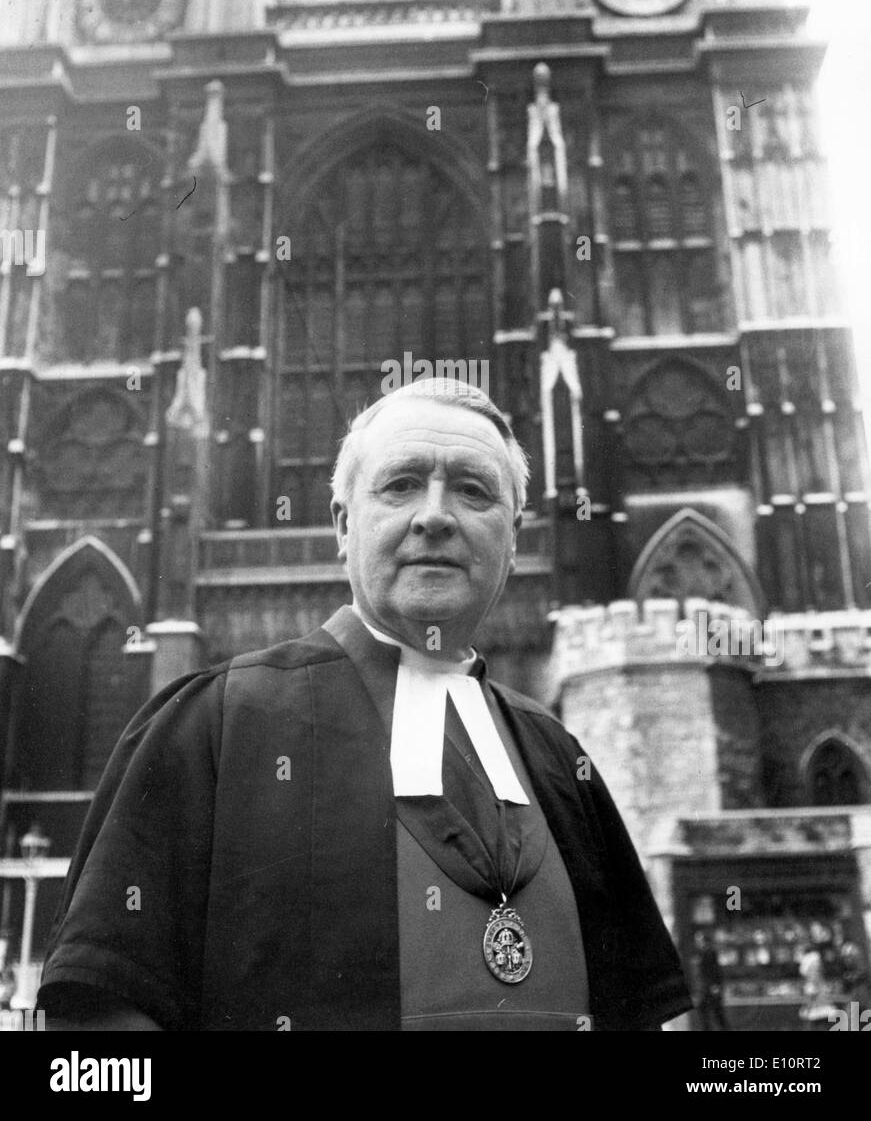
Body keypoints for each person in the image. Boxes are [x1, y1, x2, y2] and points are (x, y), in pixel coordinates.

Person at [37, 377, 691, 1031]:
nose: (435, 515)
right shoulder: (209, 727)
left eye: (472, 490)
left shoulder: (558, 760)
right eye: (401, 483)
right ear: (344, 526)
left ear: (513, 539)